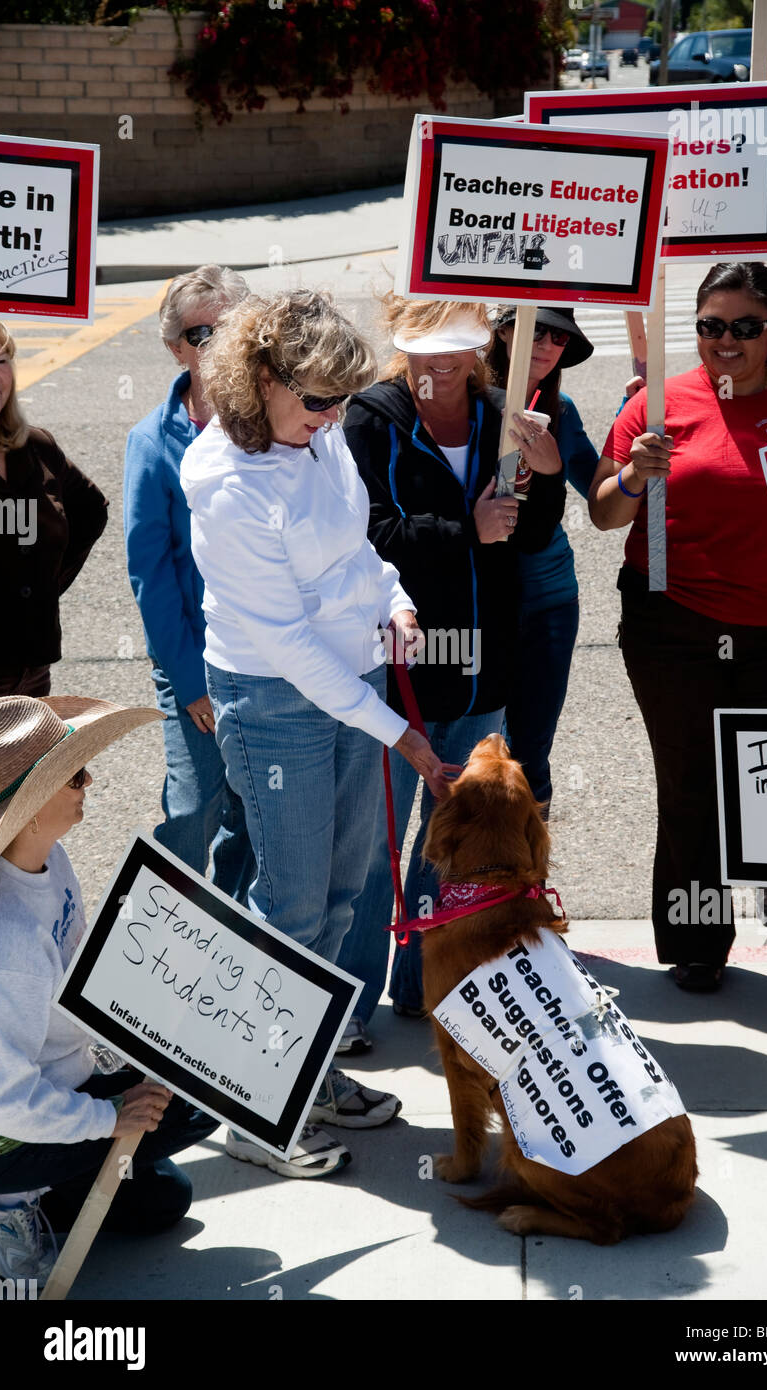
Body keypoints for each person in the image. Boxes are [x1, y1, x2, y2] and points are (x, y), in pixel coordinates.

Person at [181, 289, 450, 1178]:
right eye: (316, 402)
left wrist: (395, 595)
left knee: (343, 890)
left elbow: (355, 547)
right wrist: (400, 735)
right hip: (278, 700)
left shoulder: (319, 430)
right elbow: (285, 642)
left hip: (347, 684)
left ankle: (312, 1069)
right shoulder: (223, 479)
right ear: (261, 379)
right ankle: (257, 1109)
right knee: (292, 904)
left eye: (342, 402)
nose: (332, 419)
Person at [589, 262, 767, 992]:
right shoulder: (657, 404)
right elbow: (604, 514)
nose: (725, 341)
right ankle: (697, 944)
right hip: (671, 625)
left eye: (743, 326)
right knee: (690, 784)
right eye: (710, 326)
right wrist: (635, 476)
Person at [334, 297, 567, 1050]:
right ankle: (352, 1006)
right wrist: (463, 529)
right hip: (400, 665)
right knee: (376, 840)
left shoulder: (505, 413)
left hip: (481, 666)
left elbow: (529, 532)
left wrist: (548, 472)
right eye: (426, 351)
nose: (441, 366)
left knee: (457, 842)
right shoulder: (371, 416)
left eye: (457, 350)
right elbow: (364, 533)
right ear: (403, 348)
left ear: (480, 351)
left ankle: (428, 986)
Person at [0, 694, 219, 1284]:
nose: (89, 779)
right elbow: (5, 1102)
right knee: (170, 1126)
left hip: (57, 1078)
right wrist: (109, 1115)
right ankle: (6, 1203)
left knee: (175, 1168)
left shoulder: (51, 858)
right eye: (73, 774)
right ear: (31, 807)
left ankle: (39, 1189)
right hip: (8, 1126)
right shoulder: (7, 943)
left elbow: (78, 975)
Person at [124, 265, 254, 904]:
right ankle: (157, 947)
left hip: (264, 659)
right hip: (194, 664)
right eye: (203, 333)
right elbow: (150, 575)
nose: (220, 344)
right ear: (176, 346)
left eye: (231, 327)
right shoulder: (151, 443)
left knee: (254, 821)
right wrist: (193, 684)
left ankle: (230, 937)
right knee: (191, 811)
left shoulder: (273, 426)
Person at [485, 305, 598, 814]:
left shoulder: (562, 409)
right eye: (537, 330)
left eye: (560, 338)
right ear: (504, 331)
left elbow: (602, 492)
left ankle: (525, 879)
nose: (548, 345)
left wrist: (632, 428)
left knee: (531, 752)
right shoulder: (460, 399)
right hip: (475, 600)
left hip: (548, 598)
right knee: (470, 753)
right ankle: (462, 885)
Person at [0, 321, 108, 699]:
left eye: (0, 360)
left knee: (45, 762)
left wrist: (42, 586)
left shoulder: (35, 445)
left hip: (34, 670)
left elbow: (91, 511)